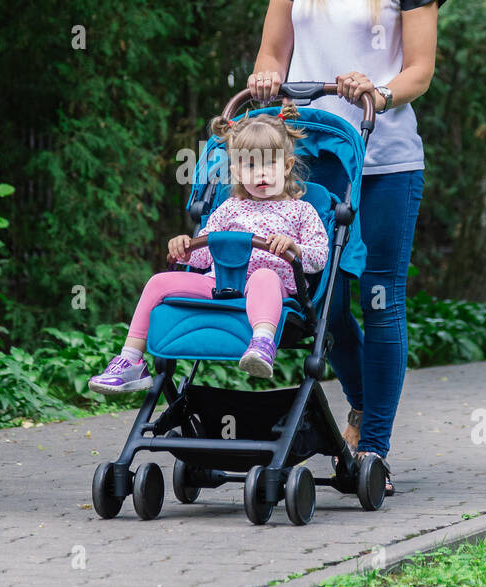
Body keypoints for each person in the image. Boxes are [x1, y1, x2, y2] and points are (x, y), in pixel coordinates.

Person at [247, 0, 449, 497]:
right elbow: (271, 56)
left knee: (382, 297)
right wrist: (269, 80)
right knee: (321, 299)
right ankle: (359, 407)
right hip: (311, 161)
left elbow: (419, 69)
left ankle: (375, 448)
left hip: (386, 160)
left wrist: (381, 91)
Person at [88, 106, 329, 395]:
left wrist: (295, 248)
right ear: (237, 170)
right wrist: (186, 249)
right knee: (158, 282)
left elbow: (319, 258)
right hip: (220, 283)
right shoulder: (229, 208)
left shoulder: (301, 211)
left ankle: (262, 343)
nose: (261, 173)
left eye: (270, 164)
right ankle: (130, 360)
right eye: (250, 166)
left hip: (270, 288)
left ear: (288, 166)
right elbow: (204, 256)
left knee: (263, 275)